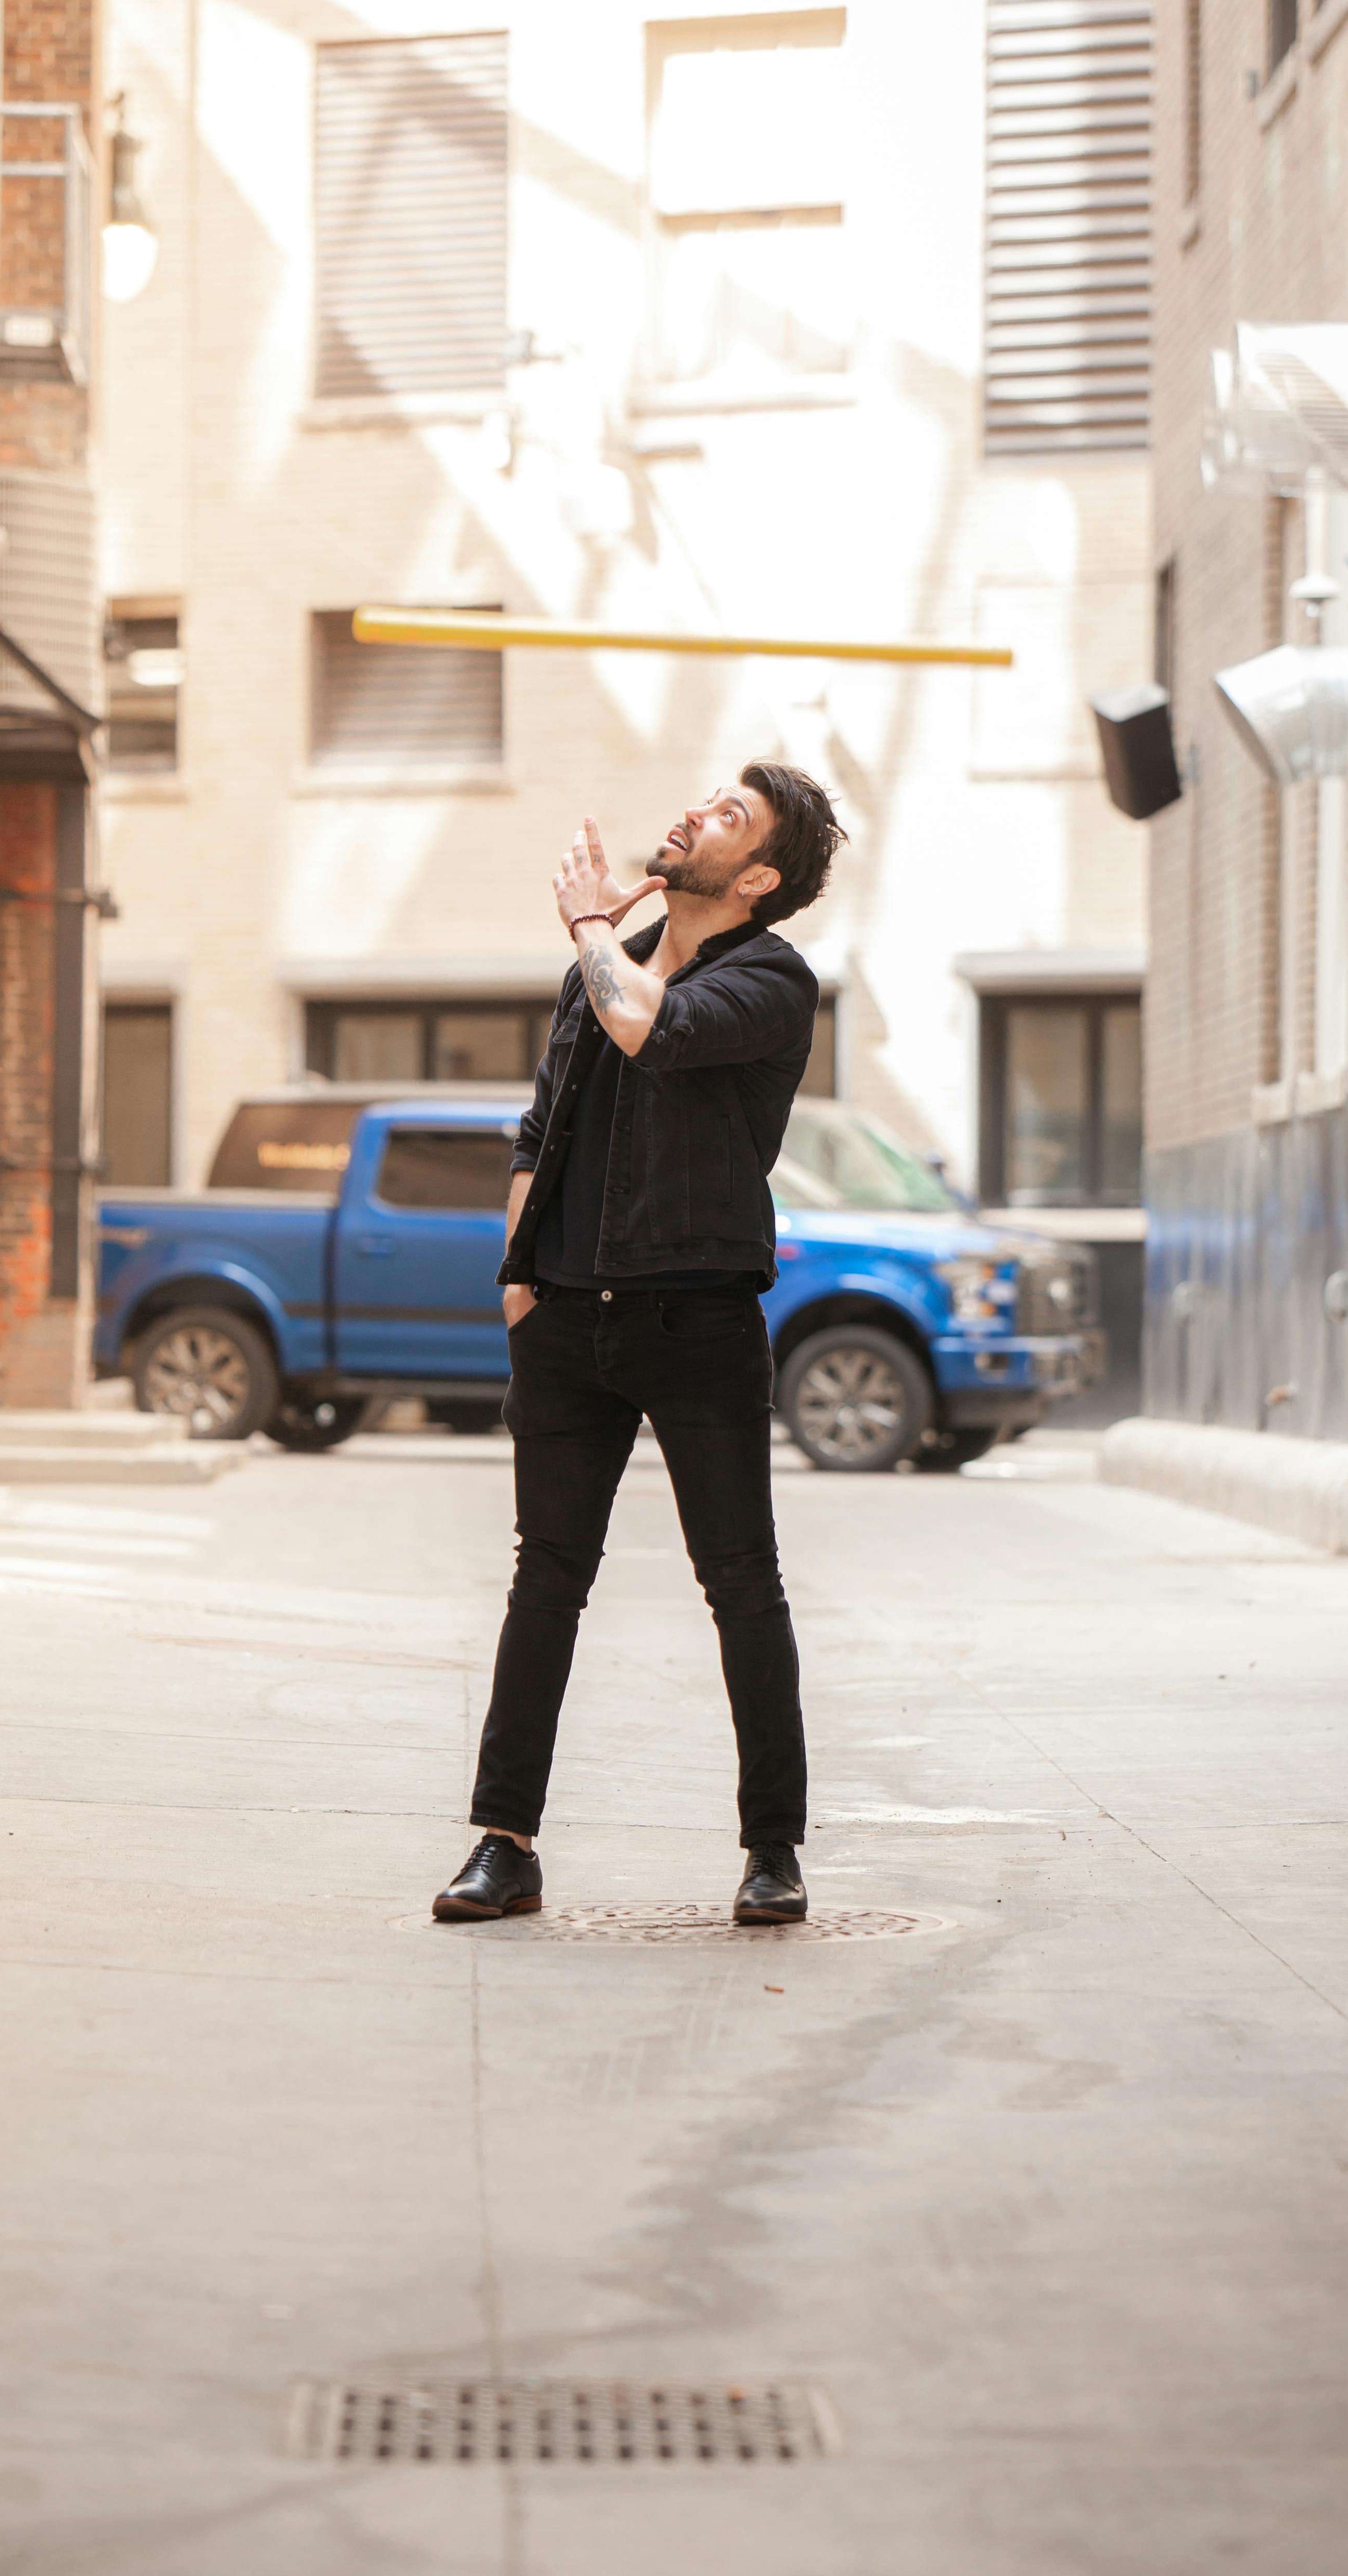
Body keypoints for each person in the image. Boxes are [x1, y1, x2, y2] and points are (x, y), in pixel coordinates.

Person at [431, 765, 847, 1928]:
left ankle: (774, 1848)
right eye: (706, 798)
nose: (693, 814)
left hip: (698, 1322)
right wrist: (518, 1283)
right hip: (566, 1319)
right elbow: (541, 1127)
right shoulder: (601, 960)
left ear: (759, 875)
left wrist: (589, 921)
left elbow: (646, 1025)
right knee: (544, 1580)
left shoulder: (768, 978)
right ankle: (503, 1842)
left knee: (741, 1584)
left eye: (727, 819)